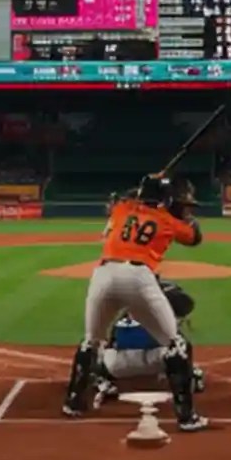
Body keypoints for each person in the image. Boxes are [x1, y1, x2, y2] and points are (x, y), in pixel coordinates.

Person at [62, 174, 209, 431]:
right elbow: (195, 237)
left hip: (103, 275)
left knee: (91, 340)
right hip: (139, 278)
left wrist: (147, 183)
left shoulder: (123, 209)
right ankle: (187, 417)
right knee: (175, 344)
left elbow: (121, 197)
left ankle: (73, 402)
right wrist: (183, 213)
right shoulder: (167, 221)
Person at [91, 279, 206, 408]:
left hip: (117, 367)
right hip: (157, 363)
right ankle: (187, 383)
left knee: (95, 344)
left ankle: (102, 380)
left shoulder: (126, 313)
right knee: (180, 345)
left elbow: (112, 341)